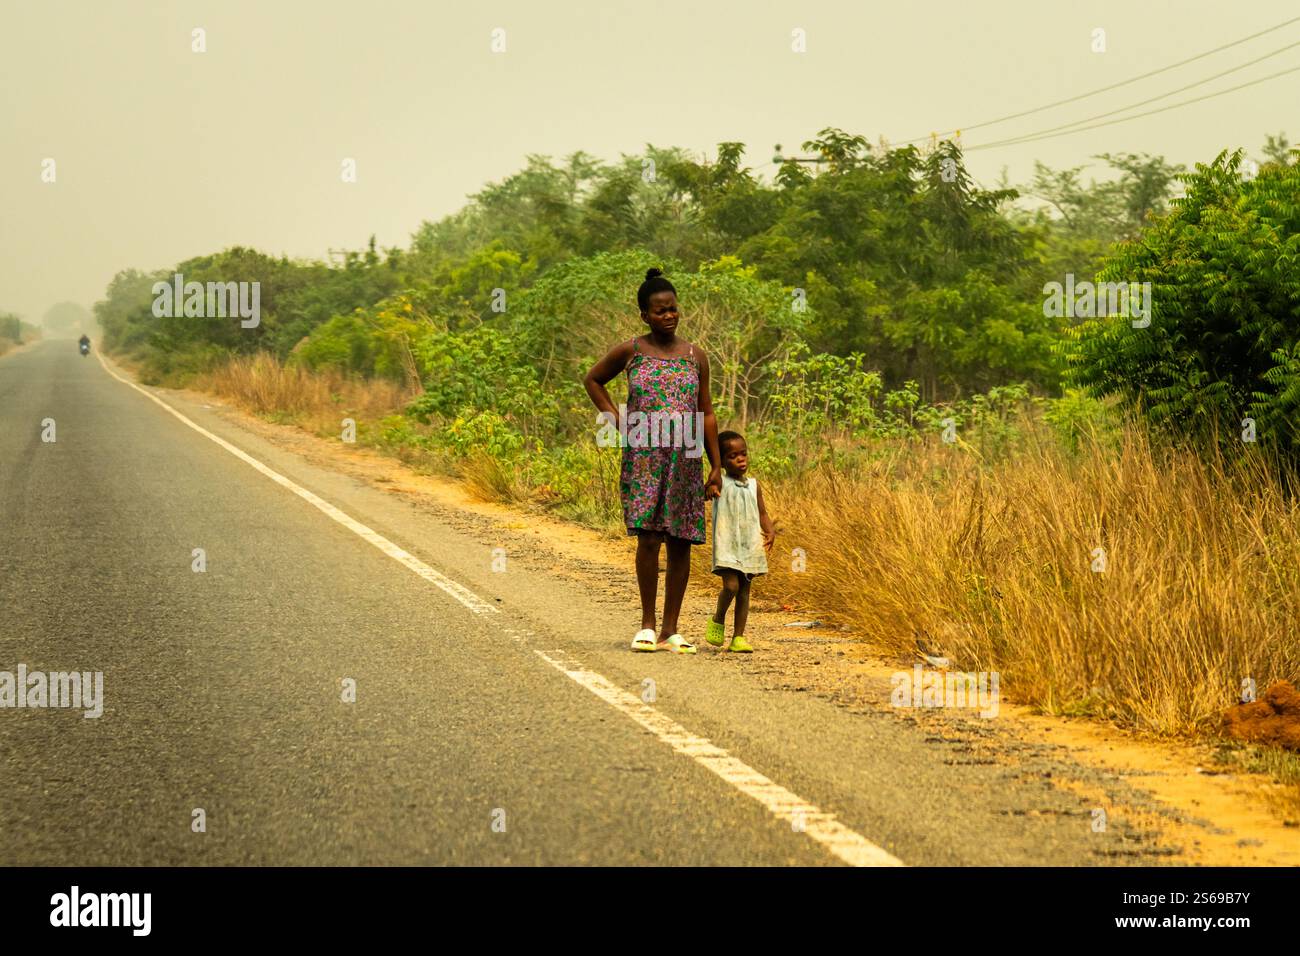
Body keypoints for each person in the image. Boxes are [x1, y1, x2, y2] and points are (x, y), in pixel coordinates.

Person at [583, 268, 721, 654]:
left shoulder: (696, 355)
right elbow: (593, 380)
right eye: (659, 311)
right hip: (644, 451)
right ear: (644, 314)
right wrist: (617, 419)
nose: (668, 316)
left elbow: (706, 411)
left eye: (673, 309)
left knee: (681, 540)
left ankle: (671, 629)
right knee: (649, 536)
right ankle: (646, 624)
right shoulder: (632, 351)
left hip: (687, 454)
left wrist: (716, 465)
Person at [704, 431, 774, 653]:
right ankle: (718, 617)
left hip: (749, 544)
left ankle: (738, 637)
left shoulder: (754, 485)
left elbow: (762, 513)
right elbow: (706, 493)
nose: (741, 459)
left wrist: (769, 531)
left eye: (743, 454)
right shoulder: (720, 483)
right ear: (722, 462)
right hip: (727, 543)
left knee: (744, 591)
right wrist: (710, 489)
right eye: (733, 456)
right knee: (731, 586)